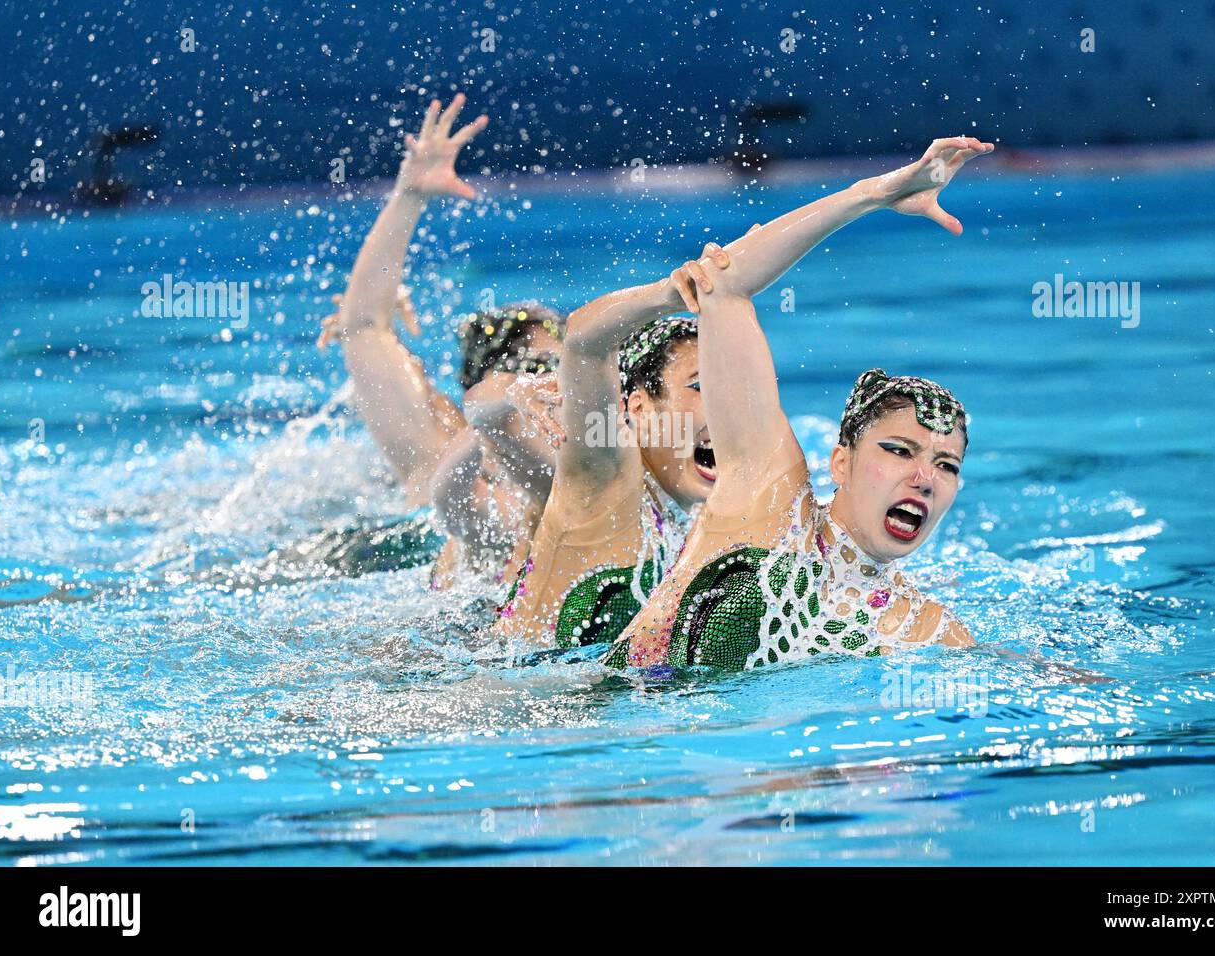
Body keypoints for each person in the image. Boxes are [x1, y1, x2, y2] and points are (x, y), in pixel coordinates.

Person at [603, 136, 995, 671]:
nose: (925, 477)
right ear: (841, 462)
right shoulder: (768, 498)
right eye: (901, 451)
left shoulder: (929, 631)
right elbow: (722, 285)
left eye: (945, 464)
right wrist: (871, 194)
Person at [318, 94, 566, 583]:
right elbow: (363, 327)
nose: (554, 385)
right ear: (480, 382)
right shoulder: (441, 450)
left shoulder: (593, 463)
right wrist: (410, 195)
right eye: (534, 367)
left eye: (562, 367)